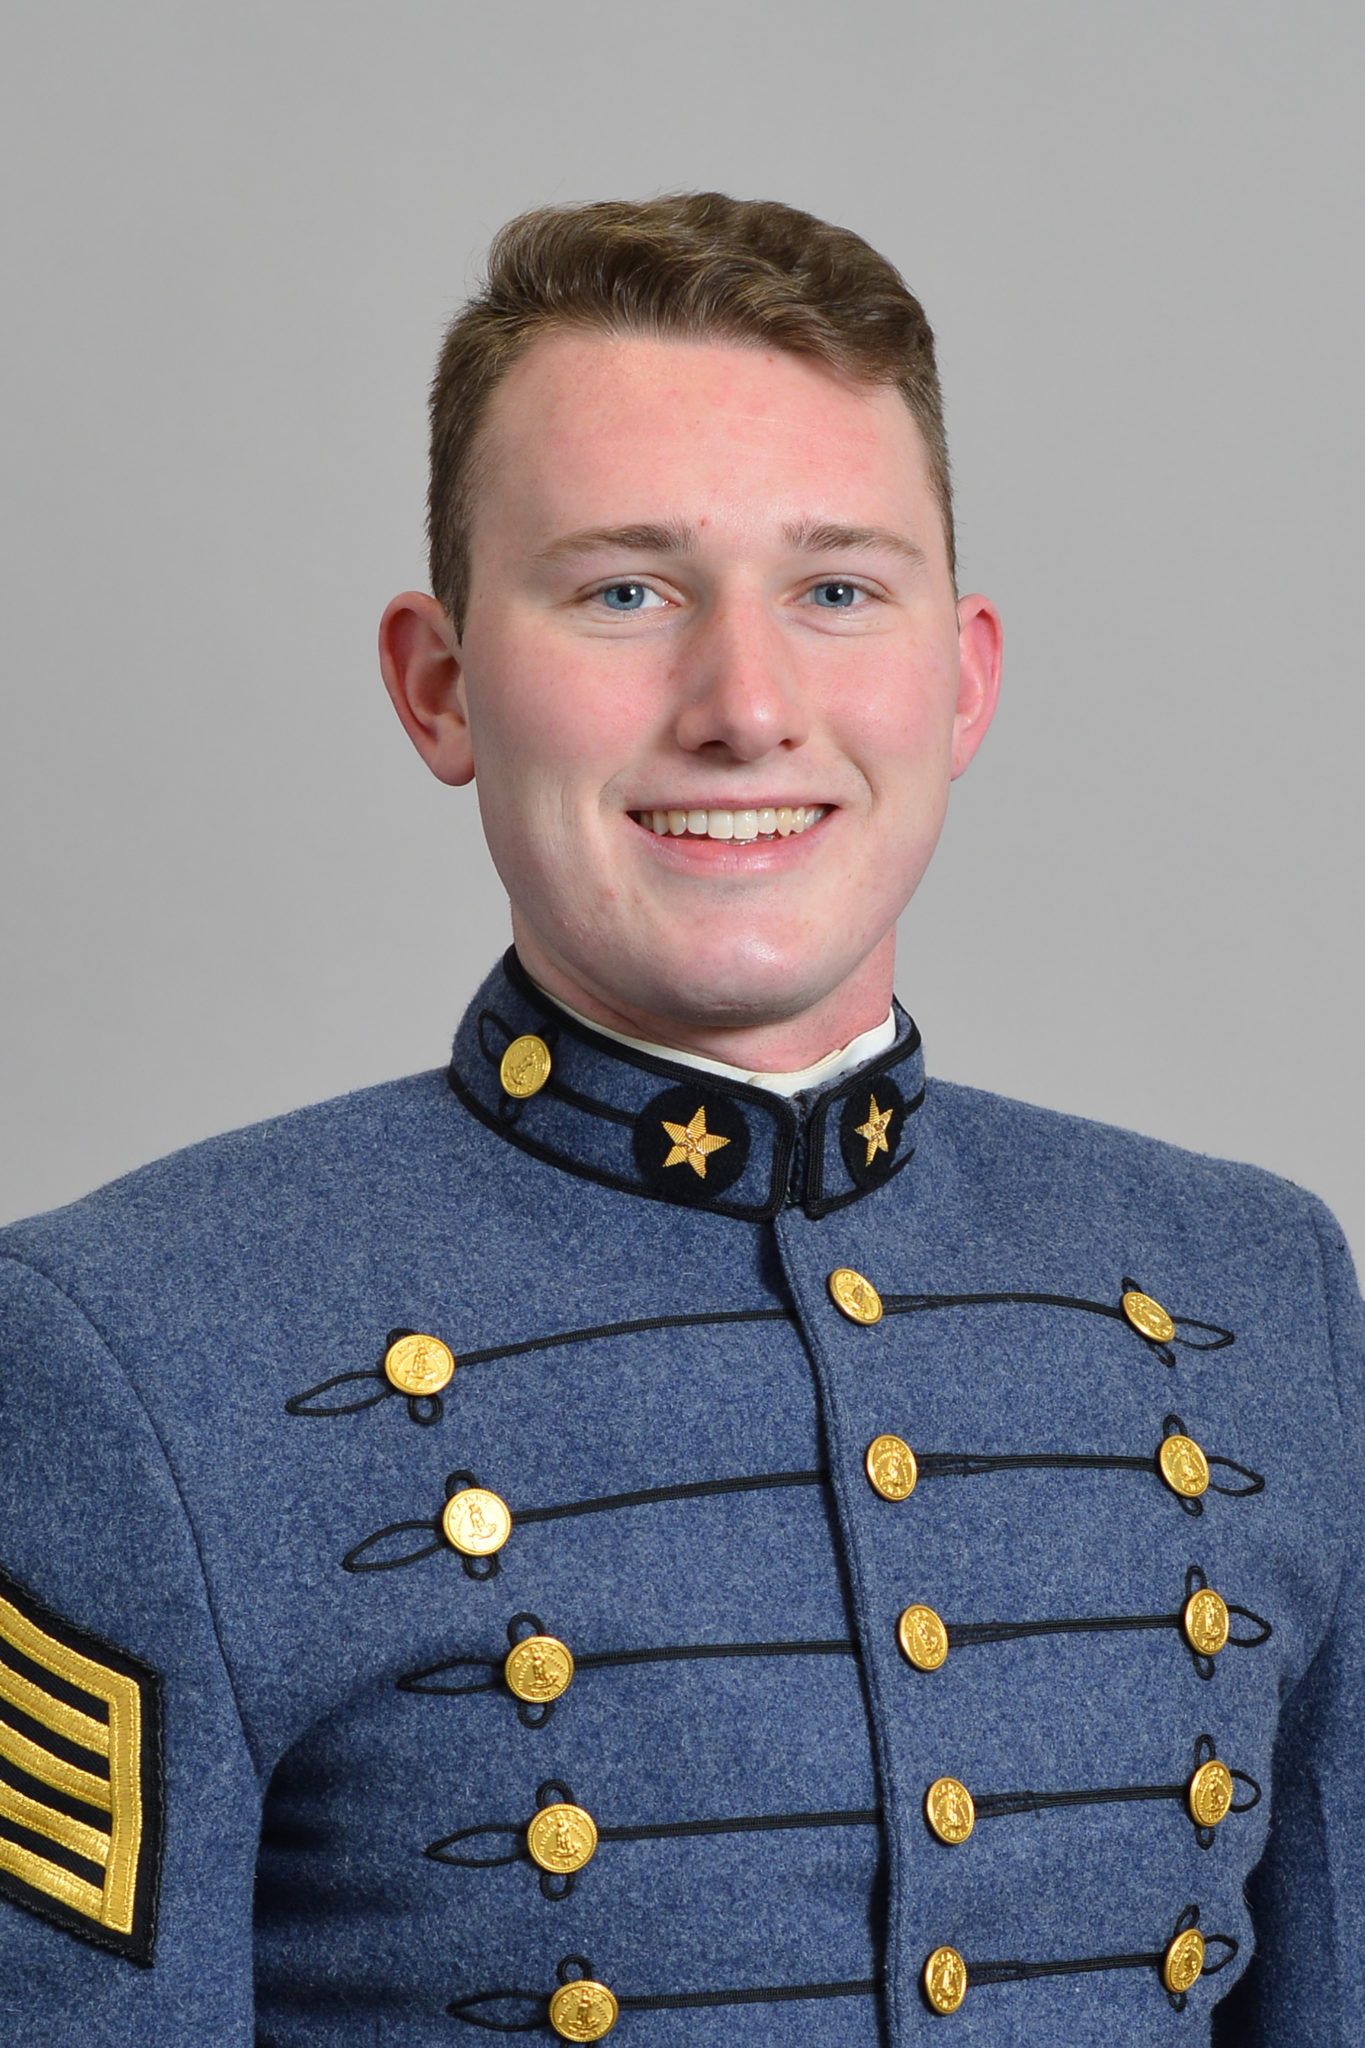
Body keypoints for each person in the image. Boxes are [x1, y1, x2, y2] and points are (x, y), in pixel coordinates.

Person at [0, 191, 1358, 2047]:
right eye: (623, 589)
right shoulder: (121, 1351)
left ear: (957, 679)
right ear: (440, 680)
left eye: (835, 589)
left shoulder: (1259, 1294)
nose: (744, 705)